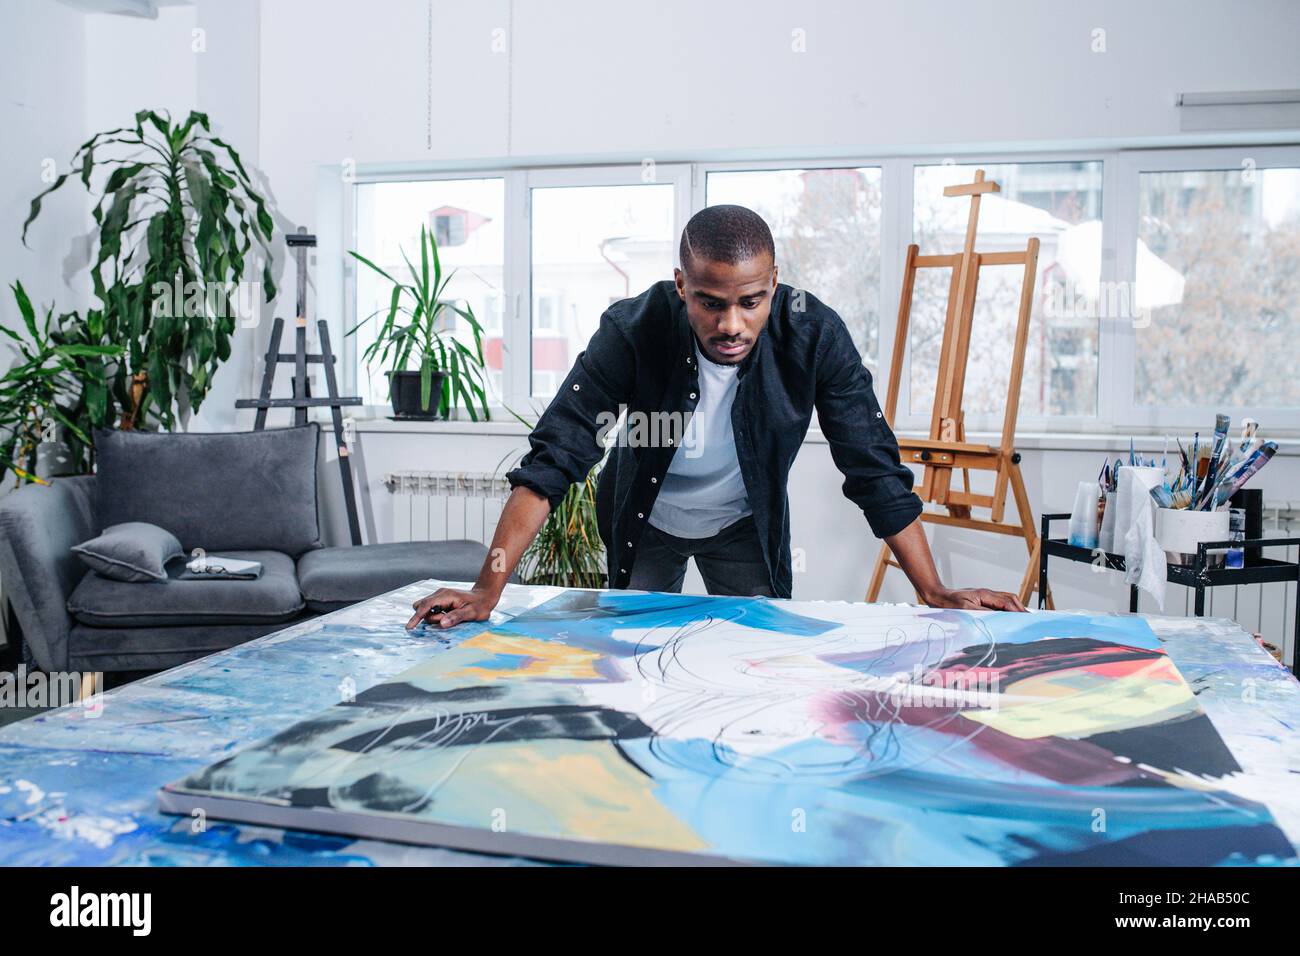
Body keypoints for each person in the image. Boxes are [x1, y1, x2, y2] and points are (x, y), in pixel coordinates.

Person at [408, 205, 1025, 630]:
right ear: (682, 285)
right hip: (644, 520)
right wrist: (487, 589)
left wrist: (934, 589)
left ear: (776, 283)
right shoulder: (632, 329)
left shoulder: (814, 335)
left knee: (758, 657)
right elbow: (554, 459)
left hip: (743, 525)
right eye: (711, 303)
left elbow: (873, 468)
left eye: (751, 302)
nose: (731, 324)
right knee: (633, 655)